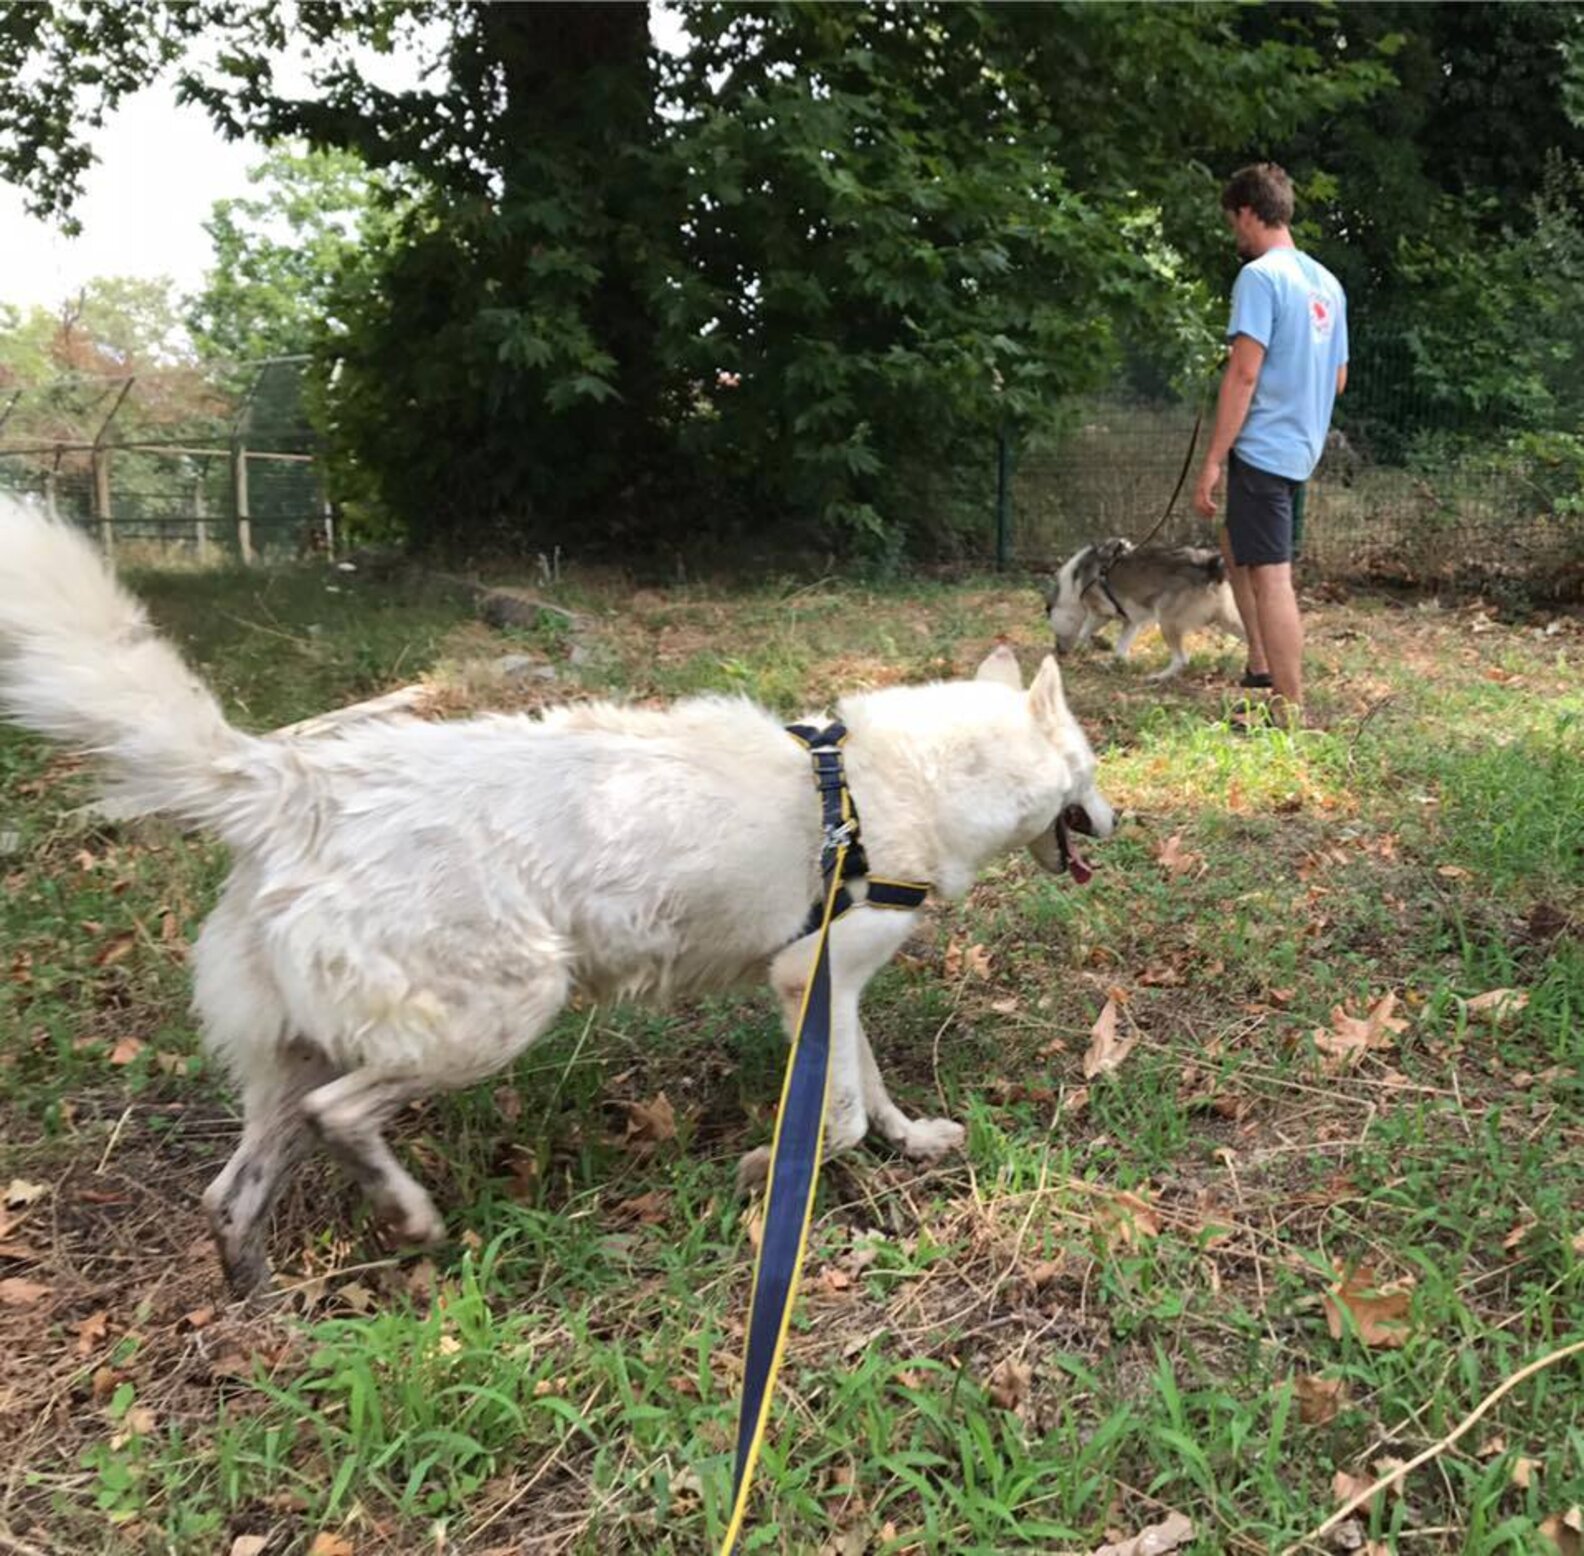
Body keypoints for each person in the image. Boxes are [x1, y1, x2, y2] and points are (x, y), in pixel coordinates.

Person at [1192, 162, 1348, 729]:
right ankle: (1260, 662)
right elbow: (1338, 380)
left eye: (1234, 219)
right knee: (1239, 545)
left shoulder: (1259, 278)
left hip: (1262, 447)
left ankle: (1289, 712)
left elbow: (1244, 376)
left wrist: (1212, 461)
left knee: (1271, 576)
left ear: (1249, 212)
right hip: (1300, 448)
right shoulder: (1326, 283)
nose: (1234, 232)